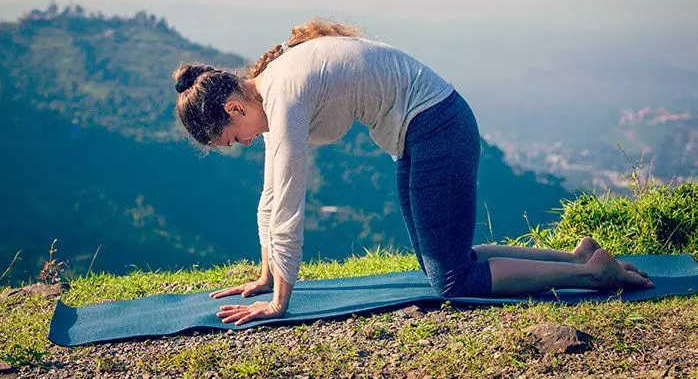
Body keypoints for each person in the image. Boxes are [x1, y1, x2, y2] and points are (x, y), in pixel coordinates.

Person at [172, 20, 655, 326]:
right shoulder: (275, 88)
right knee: (444, 263)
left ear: (234, 107)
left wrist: (280, 300)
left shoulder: (284, 95)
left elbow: (288, 199)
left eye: (234, 138)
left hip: (437, 128)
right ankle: (577, 258)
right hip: (427, 131)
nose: (245, 143)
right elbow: (271, 194)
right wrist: (264, 275)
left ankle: (594, 277)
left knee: (452, 282)